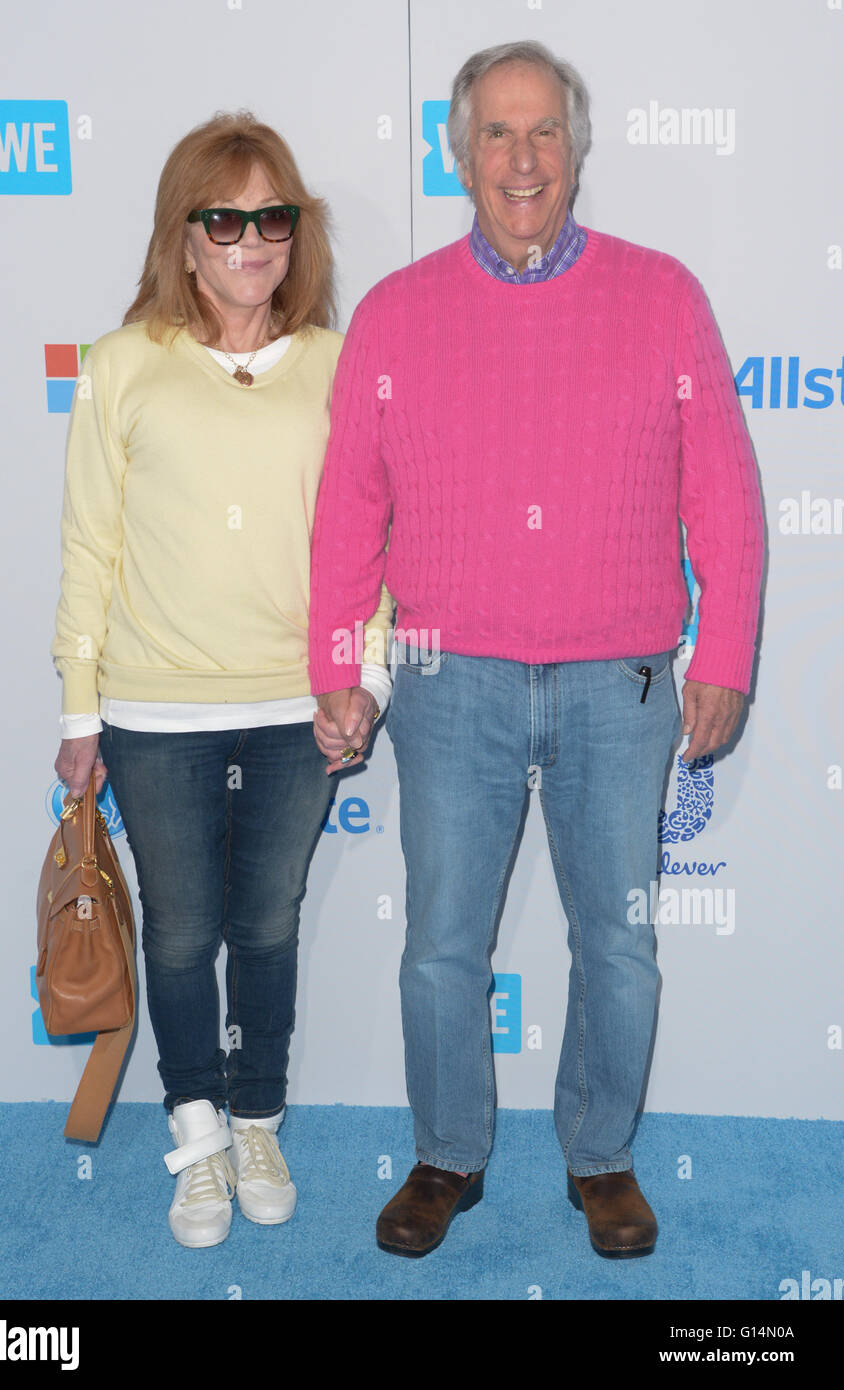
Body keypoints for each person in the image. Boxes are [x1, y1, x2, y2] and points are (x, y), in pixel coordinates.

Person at [308, 40, 764, 1259]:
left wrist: (721, 650)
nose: (522, 158)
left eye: (545, 132)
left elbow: (723, 492)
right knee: (442, 943)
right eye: (497, 134)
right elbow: (349, 513)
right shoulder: (399, 314)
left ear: (576, 148)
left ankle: (602, 1156)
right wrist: (338, 670)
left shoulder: (661, 294)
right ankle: (448, 1152)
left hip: (622, 685)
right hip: (451, 688)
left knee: (618, 941)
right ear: (459, 153)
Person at [51, 112, 392, 1249]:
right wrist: (78, 708)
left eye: (273, 217)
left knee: (269, 924)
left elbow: (374, 539)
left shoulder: (341, 368)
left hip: (299, 706)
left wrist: (366, 679)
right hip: (154, 709)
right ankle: (195, 1130)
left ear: (299, 233)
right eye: (224, 217)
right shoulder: (121, 365)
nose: (252, 239)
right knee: (184, 930)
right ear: (183, 235)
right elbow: (89, 547)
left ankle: (258, 1119)